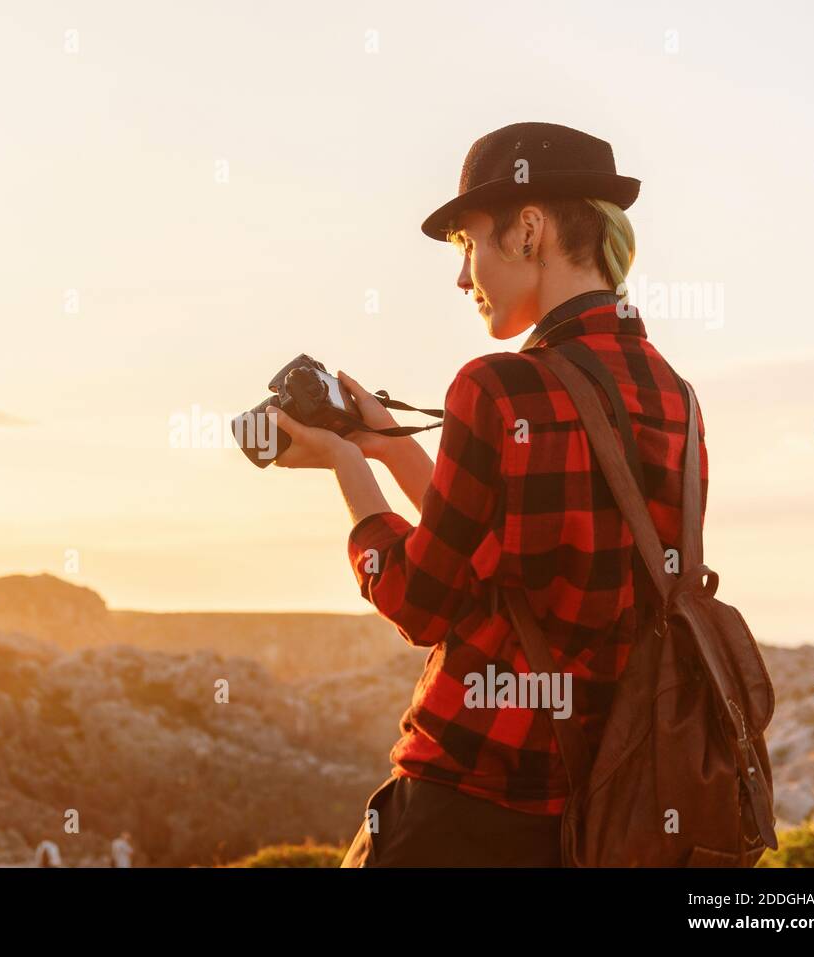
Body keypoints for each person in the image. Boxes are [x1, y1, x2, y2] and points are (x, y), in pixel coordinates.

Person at [264, 122, 706, 867]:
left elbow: (421, 598)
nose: (462, 278)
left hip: (464, 803)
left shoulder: (496, 386)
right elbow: (513, 549)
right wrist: (389, 443)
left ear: (528, 231)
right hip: (593, 814)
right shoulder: (676, 398)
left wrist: (348, 468)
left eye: (469, 244)